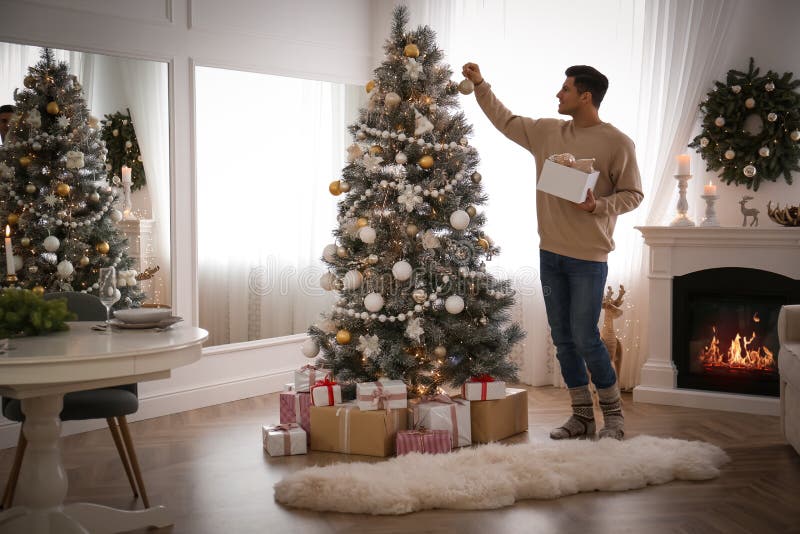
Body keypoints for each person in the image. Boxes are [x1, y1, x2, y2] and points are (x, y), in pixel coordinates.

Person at [462, 62, 643, 440]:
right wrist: (479, 83)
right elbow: (505, 120)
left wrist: (598, 206)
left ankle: (614, 417)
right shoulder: (547, 131)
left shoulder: (617, 142)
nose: (558, 95)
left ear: (585, 96)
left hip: (589, 258)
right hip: (550, 253)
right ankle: (581, 417)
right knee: (562, 338)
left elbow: (633, 194)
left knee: (586, 337)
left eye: (565, 89)